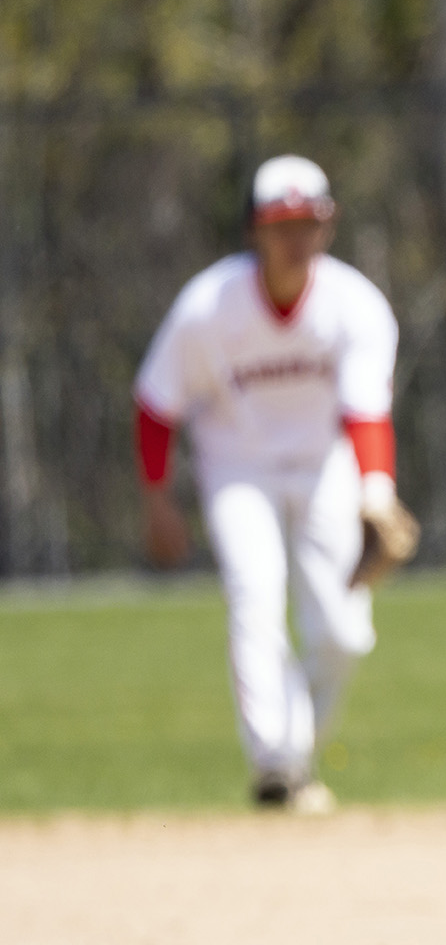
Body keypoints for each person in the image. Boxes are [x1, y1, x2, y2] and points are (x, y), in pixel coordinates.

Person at [136, 154, 404, 812]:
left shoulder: (355, 305)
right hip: (238, 467)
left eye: (308, 223)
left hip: (325, 466)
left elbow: (367, 410)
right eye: (282, 224)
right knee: (254, 595)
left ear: (328, 226)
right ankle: (275, 764)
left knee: (343, 630)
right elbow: (156, 402)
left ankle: (296, 753)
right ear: (255, 229)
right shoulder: (208, 307)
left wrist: (377, 494)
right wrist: (157, 500)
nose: (296, 239)